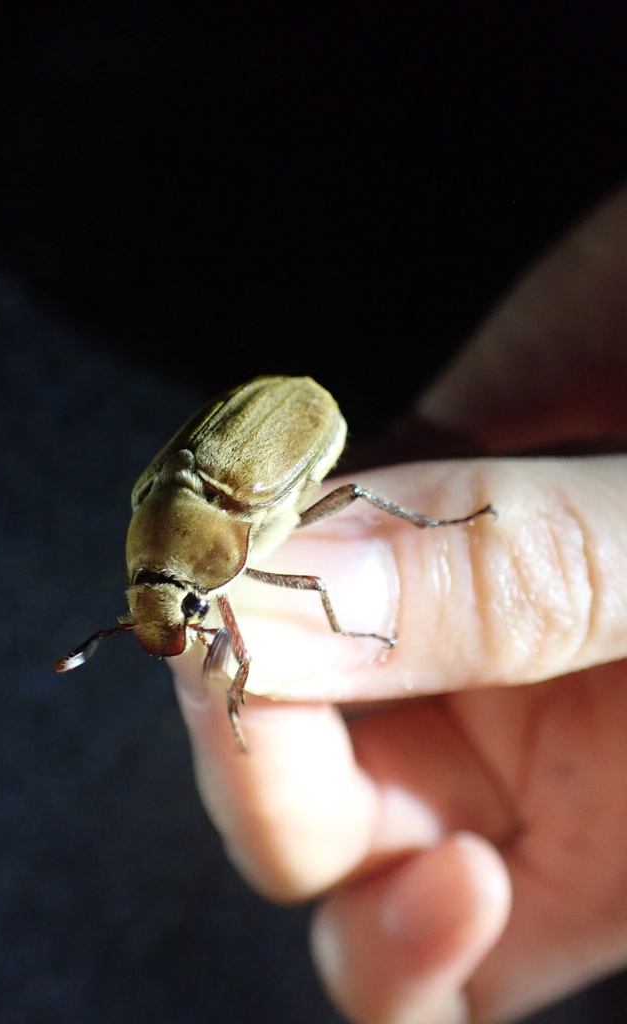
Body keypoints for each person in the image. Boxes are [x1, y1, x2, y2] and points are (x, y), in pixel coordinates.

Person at [171, 185, 627, 1024]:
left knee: (317, 576)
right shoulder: (170, 521)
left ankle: (438, 529)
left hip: (300, 431)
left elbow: (283, 580)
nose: (185, 615)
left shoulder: (224, 547)